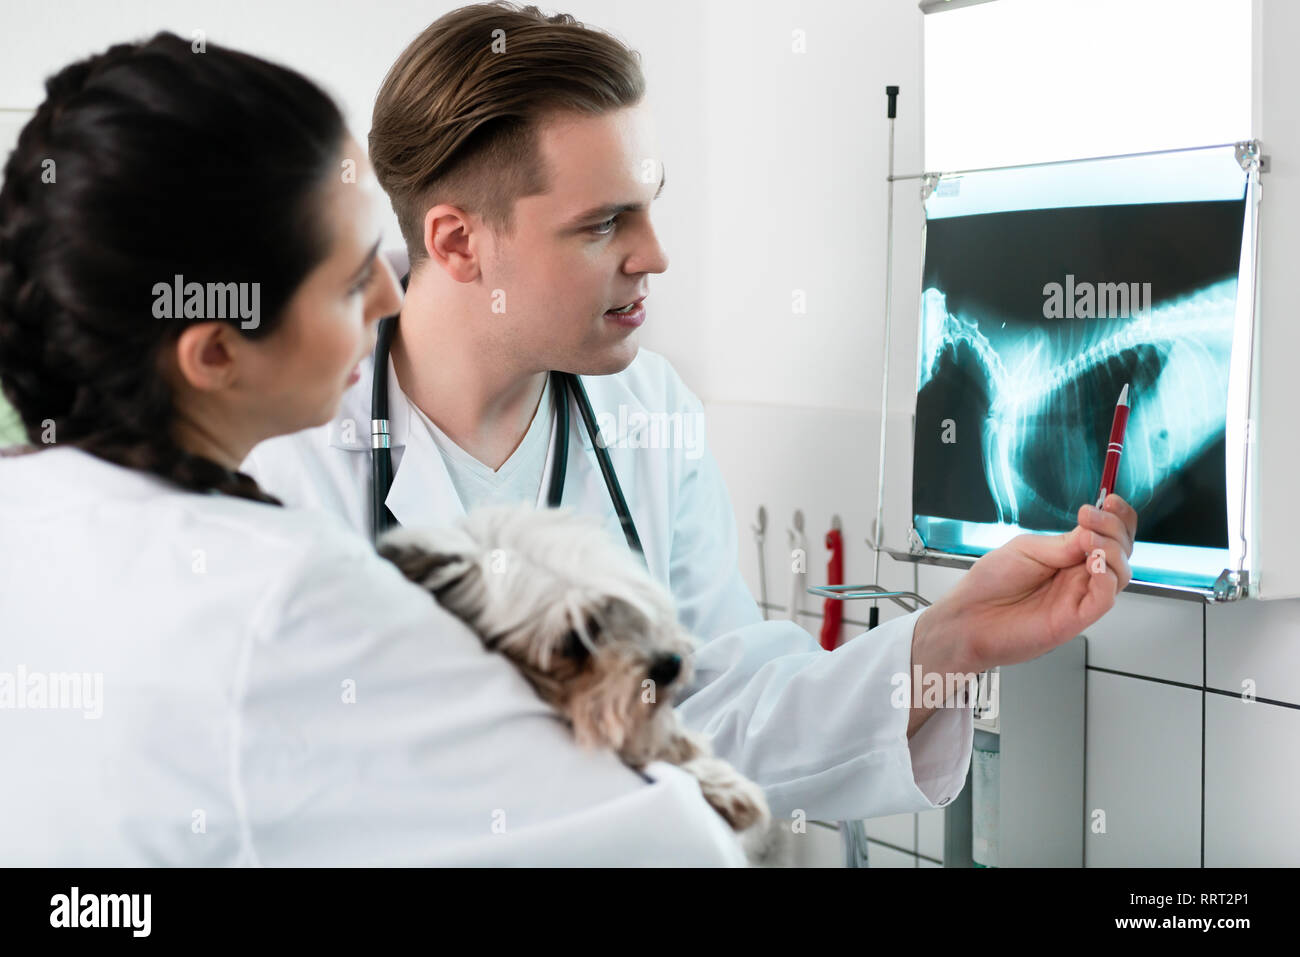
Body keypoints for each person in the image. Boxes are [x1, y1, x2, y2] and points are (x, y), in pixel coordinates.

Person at [243, 2, 1140, 822]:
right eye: (604, 224)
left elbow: (718, 718)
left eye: (651, 207)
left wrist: (955, 638)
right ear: (458, 241)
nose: (654, 254)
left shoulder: (646, 412)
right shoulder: (282, 447)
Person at [0, 33, 749, 866]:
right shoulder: (291, 597)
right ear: (214, 352)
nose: (395, 289)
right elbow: (680, 848)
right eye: (354, 276)